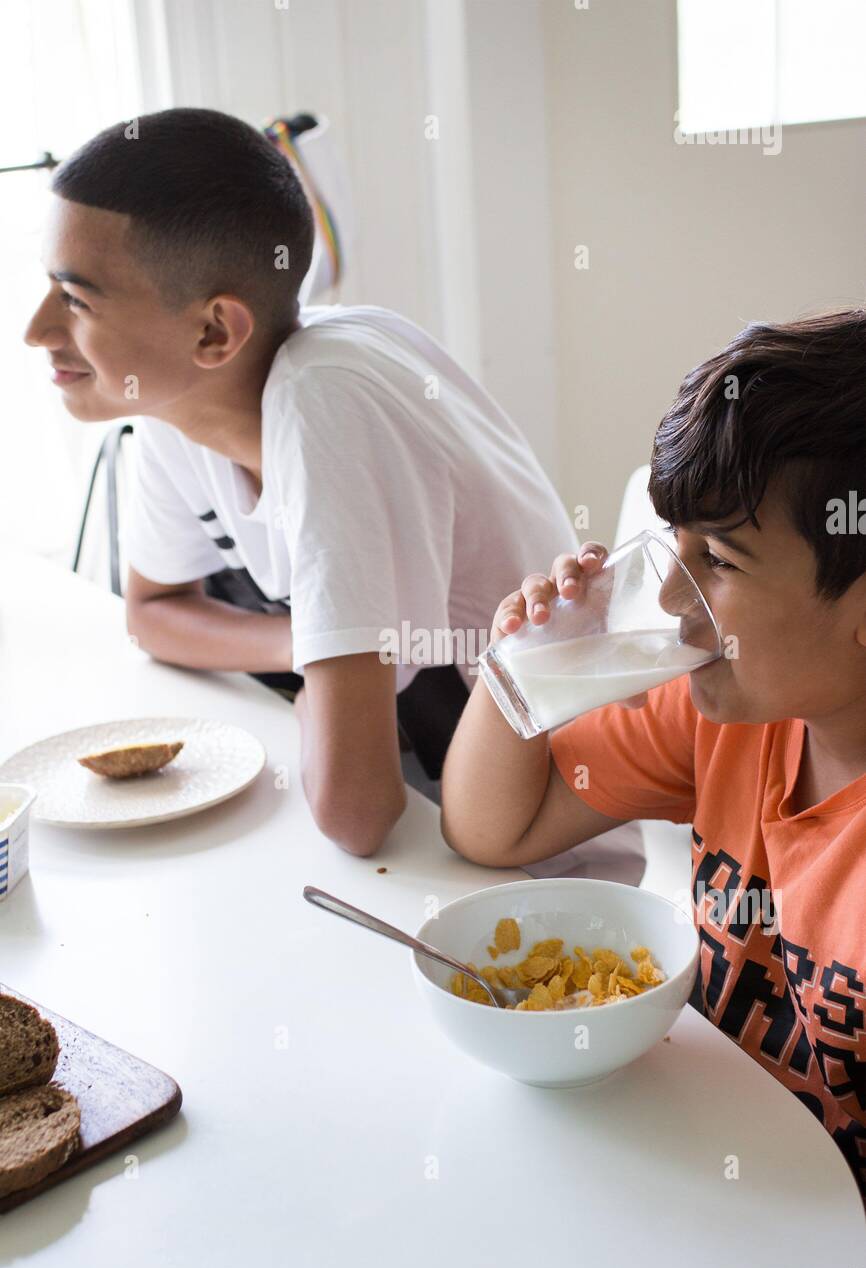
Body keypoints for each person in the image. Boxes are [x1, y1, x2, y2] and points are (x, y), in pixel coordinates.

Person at [24, 105, 644, 880]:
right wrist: (308, 651)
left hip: (529, 870)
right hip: (427, 823)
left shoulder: (325, 400)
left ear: (216, 332)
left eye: (77, 301)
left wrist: (323, 683)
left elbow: (356, 813)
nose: (36, 329)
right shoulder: (172, 403)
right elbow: (153, 615)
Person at [441, 308, 866, 1205]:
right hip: (701, 1173)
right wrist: (528, 659)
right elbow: (493, 826)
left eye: (719, 562)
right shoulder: (736, 714)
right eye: (672, 548)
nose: (670, 598)